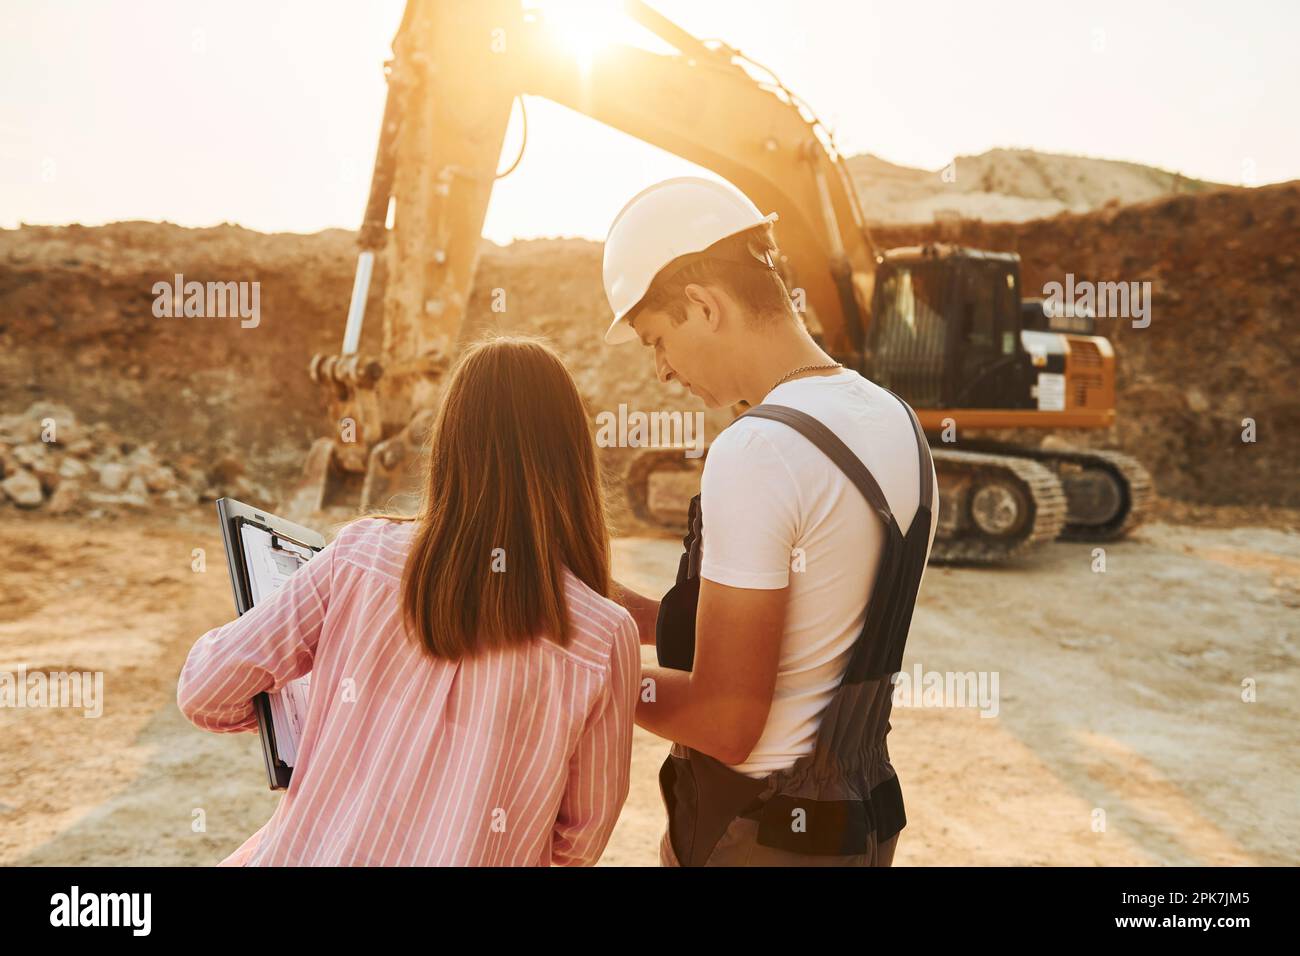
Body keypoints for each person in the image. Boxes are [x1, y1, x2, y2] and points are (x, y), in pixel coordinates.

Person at [178, 336, 640, 866]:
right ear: (574, 456)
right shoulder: (605, 637)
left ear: (448, 445)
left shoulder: (360, 556)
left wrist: (311, 708)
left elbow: (205, 692)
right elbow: (578, 841)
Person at [606, 177, 939, 867]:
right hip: (860, 825)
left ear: (702, 304)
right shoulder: (893, 419)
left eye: (656, 340)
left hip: (761, 837)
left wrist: (585, 667)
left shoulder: (758, 448)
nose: (663, 371)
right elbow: (807, 626)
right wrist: (605, 607)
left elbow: (725, 721)